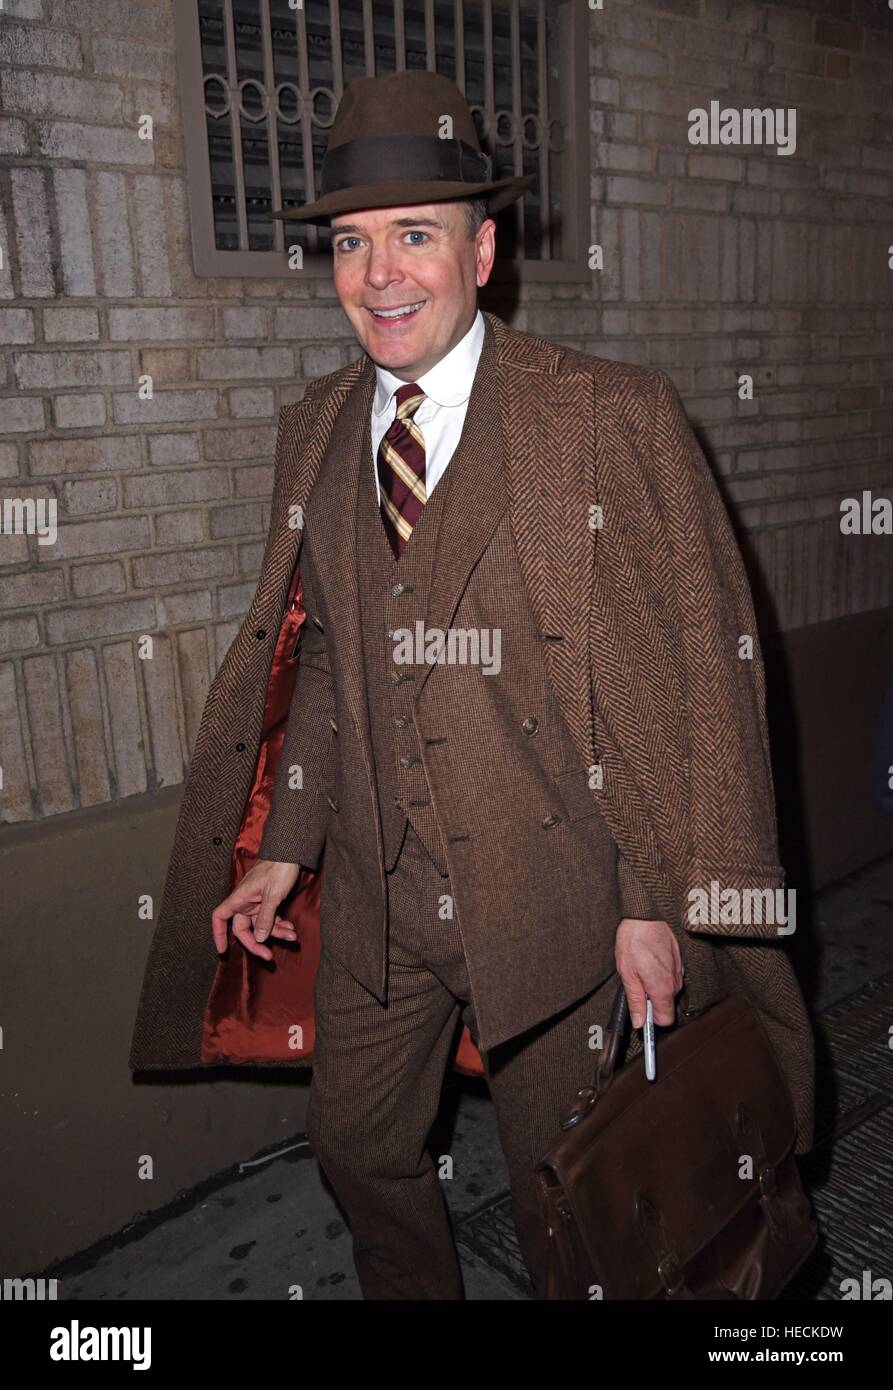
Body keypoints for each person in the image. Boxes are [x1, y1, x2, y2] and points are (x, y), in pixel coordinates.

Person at [130, 68, 815, 1300]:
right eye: (351, 241)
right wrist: (285, 848)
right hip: (383, 919)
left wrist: (652, 901)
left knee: (586, 1202)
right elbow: (335, 654)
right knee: (356, 1147)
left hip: (565, 919)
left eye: (414, 235)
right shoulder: (320, 428)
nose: (379, 272)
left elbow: (704, 691)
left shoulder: (608, 419)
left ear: (482, 249)